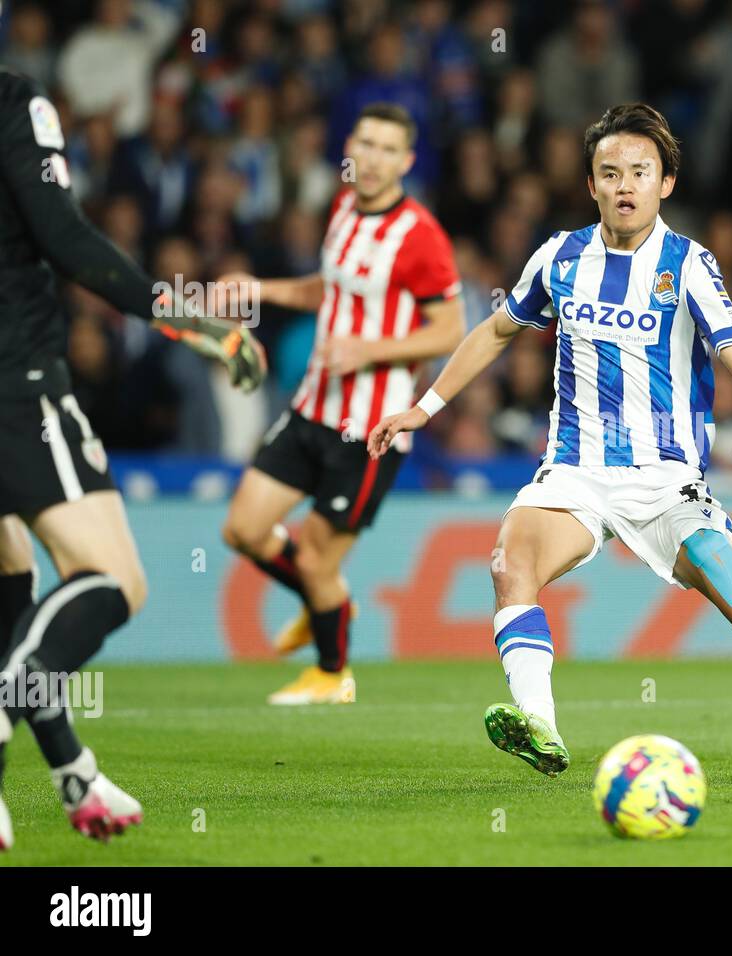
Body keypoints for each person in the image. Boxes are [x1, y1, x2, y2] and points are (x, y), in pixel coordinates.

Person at [368, 104, 732, 778]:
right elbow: (498, 330)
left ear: (665, 183)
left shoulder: (689, 265)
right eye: (609, 173)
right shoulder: (560, 257)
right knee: (509, 566)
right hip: (576, 472)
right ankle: (542, 728)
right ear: (591, 185)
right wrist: (425, 406)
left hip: (667, 483)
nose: (624, 185)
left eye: (639, 173)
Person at [0, 53, 264, 850]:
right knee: (113, 576)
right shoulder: (12, 99)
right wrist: (190, 317)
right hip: (14, 377)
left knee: (12, 577)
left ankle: (71, 769)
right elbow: (64, 238)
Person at [218, 103, 465, 705]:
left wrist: (370, 351)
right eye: (366, 143)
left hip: (370, 427)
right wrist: (262, 290)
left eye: (388, 149)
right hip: (312, 407)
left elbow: (452, 329)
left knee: (318, 564)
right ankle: (324, 599)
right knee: (243, 529)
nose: (373, 158)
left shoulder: (421, 236)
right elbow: (332, 287)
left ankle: (333, 674)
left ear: (405, 161)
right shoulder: (342, 205)